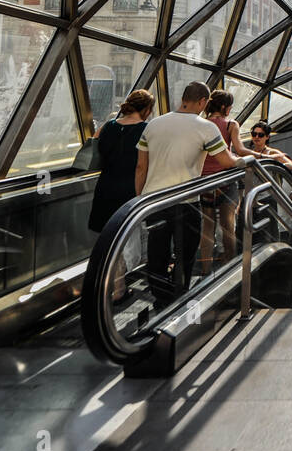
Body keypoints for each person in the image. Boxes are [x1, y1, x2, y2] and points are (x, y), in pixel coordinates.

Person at [136, 82, 241, 296]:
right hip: (185, 201)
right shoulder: (205, 127)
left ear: (183, 98)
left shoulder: (154, 124)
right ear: (202, 102)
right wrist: (244, 160)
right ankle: (180, 294)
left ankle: (159, 297)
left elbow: (140, 167)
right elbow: (226, 161)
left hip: (154, 201)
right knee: (185, 253)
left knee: (157, 252)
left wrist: (140, 199)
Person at [88, 89, 156, 234]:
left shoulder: (108, 125)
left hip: (105, 186)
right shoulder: (146, 129)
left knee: (108, 235)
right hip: (130, 189)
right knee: (129, 237)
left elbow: (93, 144)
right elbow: (141, 166)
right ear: (147, 109)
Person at [198, 91, 250, 276]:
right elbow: (240, 150)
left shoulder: (202, 124)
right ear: (223, 107)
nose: (230, 109)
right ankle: (230, 268)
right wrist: (262, 155)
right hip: (224, 181)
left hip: (204, 183)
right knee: (228, 225)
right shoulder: (230, 125)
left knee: (207, 226)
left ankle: (205, 270)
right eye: (229, 106)